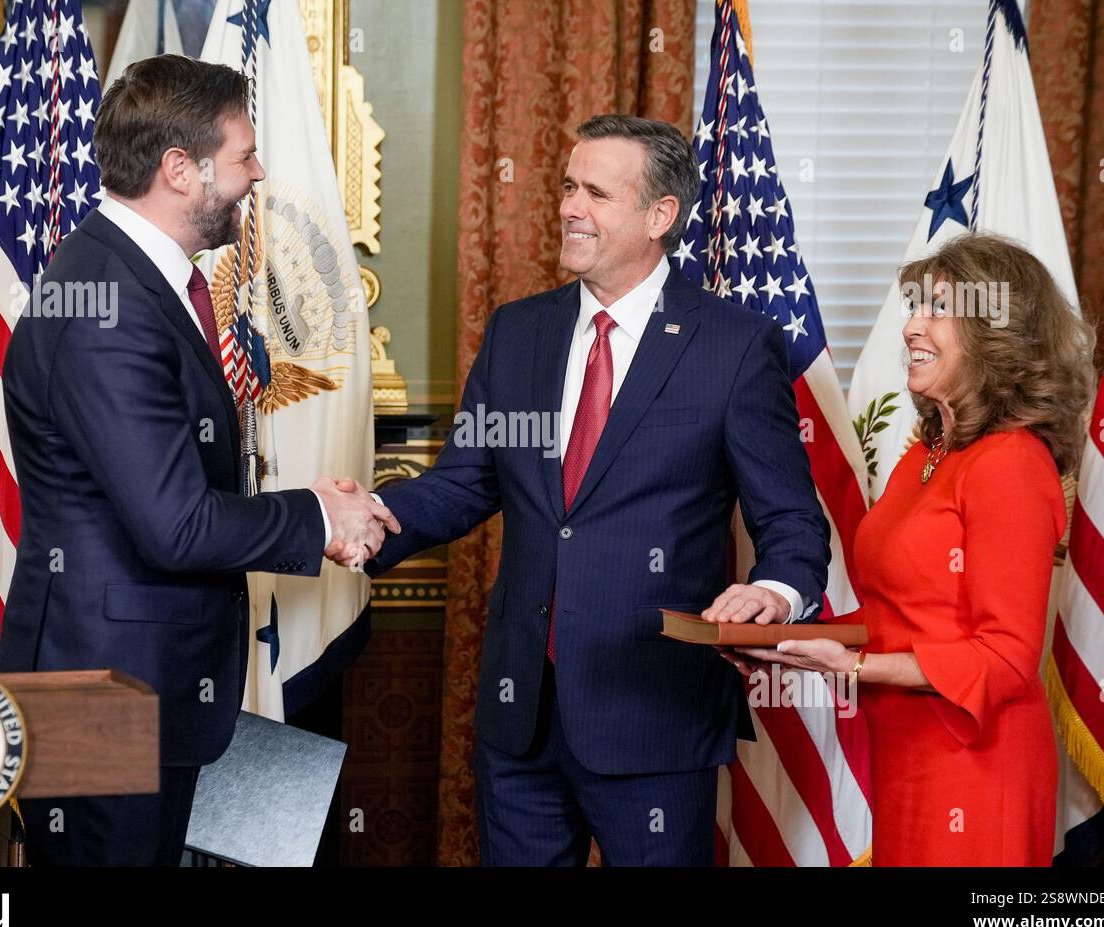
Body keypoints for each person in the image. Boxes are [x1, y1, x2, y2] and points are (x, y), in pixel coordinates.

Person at [330, 114, 830, 866]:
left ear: (659, 216)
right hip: (521, 715)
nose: (568, 206)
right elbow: (467, 483)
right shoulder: (519, 333)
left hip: (653, 719)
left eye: (595, 192)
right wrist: (372, 517)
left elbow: (793, 523)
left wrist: (778, 594)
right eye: (568, 186)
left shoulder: (732, 346)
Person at [0, 54, 395, 866]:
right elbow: (175, 524)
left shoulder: (131, 281)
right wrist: (319, 516)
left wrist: (310, 504)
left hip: (136, 686)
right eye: (245, 155)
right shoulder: (110, 305)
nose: (259, 173)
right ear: (182, 170)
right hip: (104, 699)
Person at [731, 233, 1094, 865]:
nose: (911, 329)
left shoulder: (1009, 463)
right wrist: (781, 638)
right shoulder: (925, 458)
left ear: (997, 336)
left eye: (937, 311)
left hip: (976, 766)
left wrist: (851, 668)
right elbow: (893, 619)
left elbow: (1005, 660)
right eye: (914, 309)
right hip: (906, 759)